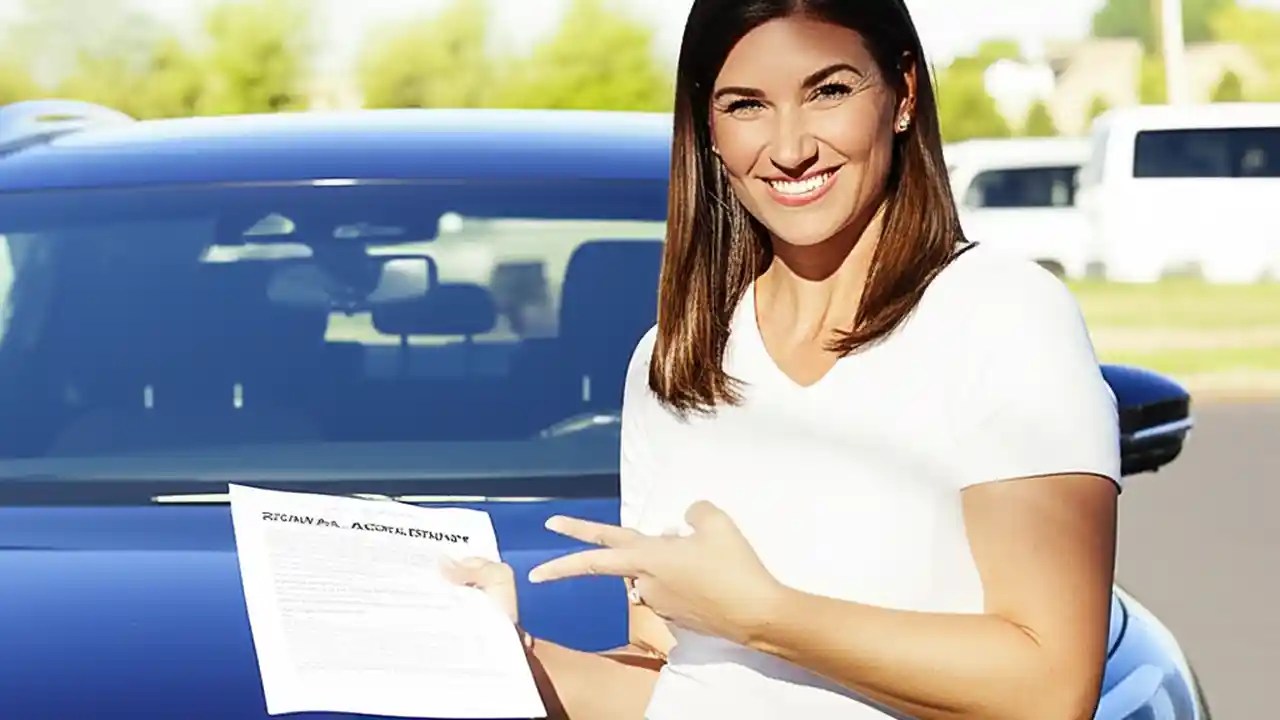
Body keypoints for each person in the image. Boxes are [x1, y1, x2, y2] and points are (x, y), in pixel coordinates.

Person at [443, 0, 1122, 718]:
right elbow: (671, 681)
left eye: (828, 91)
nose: (791, 146)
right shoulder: (673, 360)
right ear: (707, 127)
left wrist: (765, 615)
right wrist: (512, 655)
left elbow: (1051, 688)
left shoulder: (1001, 314)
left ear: (904, 94)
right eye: (746, 105)